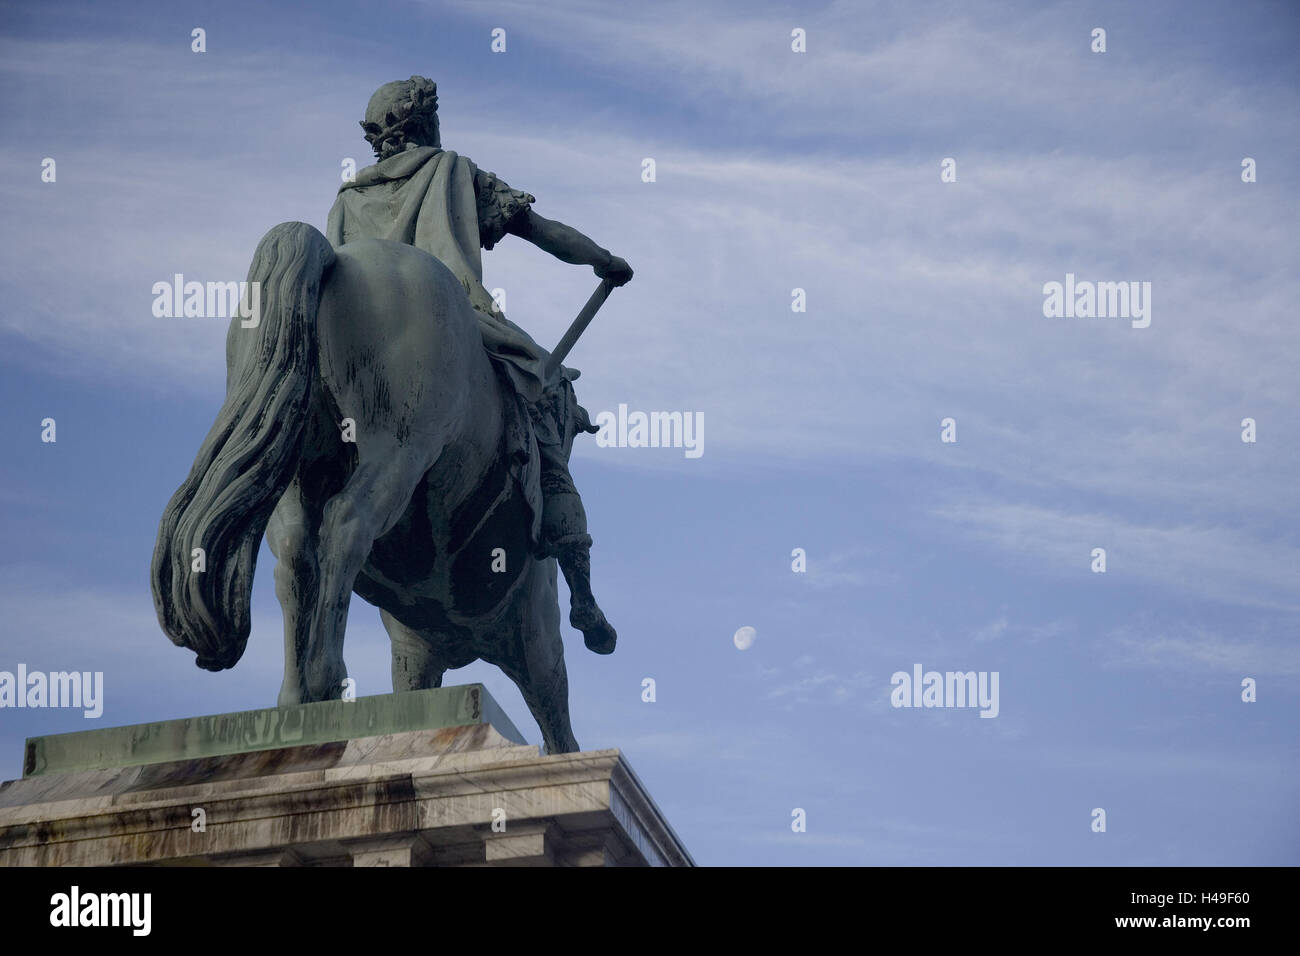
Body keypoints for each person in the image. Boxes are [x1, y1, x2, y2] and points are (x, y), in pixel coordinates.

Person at [326, 76, 630, 654]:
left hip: (349, 344)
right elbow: (542, 232)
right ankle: (581, 593)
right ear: (428, 124)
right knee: (548, 402)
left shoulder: (346, 199)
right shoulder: (454, 171)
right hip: (457, 320)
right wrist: (605, 261)